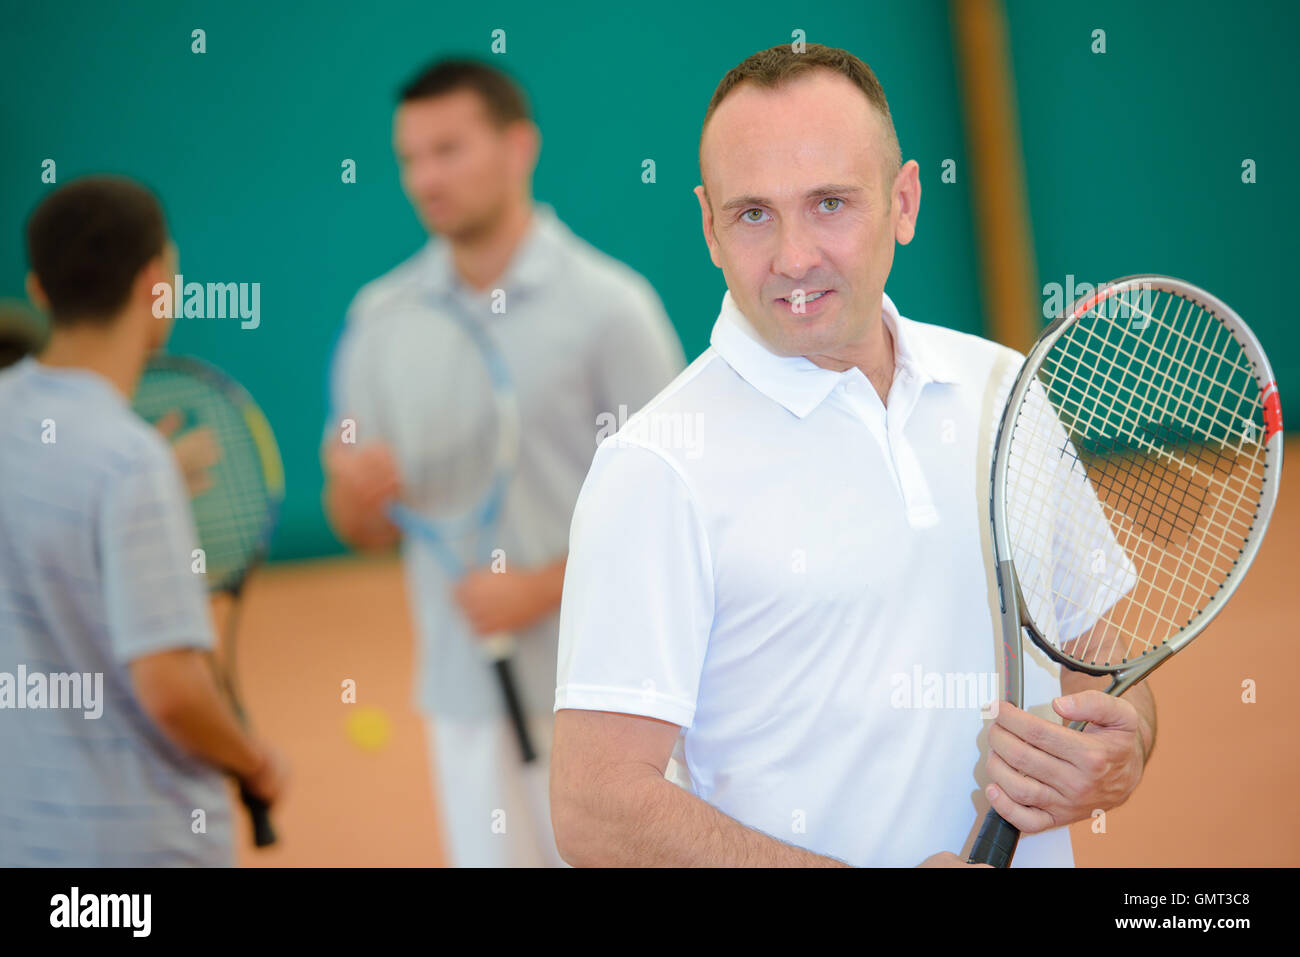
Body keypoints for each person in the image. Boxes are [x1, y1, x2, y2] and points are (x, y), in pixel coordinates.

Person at [550, 43, 1156, 867]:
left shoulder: (1002, 388)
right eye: (753, 213)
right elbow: (597, 806)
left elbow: (1099, 674)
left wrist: (1124, 748)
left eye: (830, 203)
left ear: (904, 201)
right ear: (710, 227)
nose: (794, 257)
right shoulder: (655, 466)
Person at [323, 58, 684, 867]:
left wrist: (535, 588)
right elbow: (364, 529)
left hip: (616, 697)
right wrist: (354, 496)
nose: (425, 177)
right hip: (462, 701)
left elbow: (675, 512)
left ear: (519, 147)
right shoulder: (379, 320)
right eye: (410, 157)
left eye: (448, 149)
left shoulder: (613, 310)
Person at [0, 176, 287, 866]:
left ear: (40, 291)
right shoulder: (129, 462)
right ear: (156, 282)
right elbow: (170, 689)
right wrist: (253, 761)